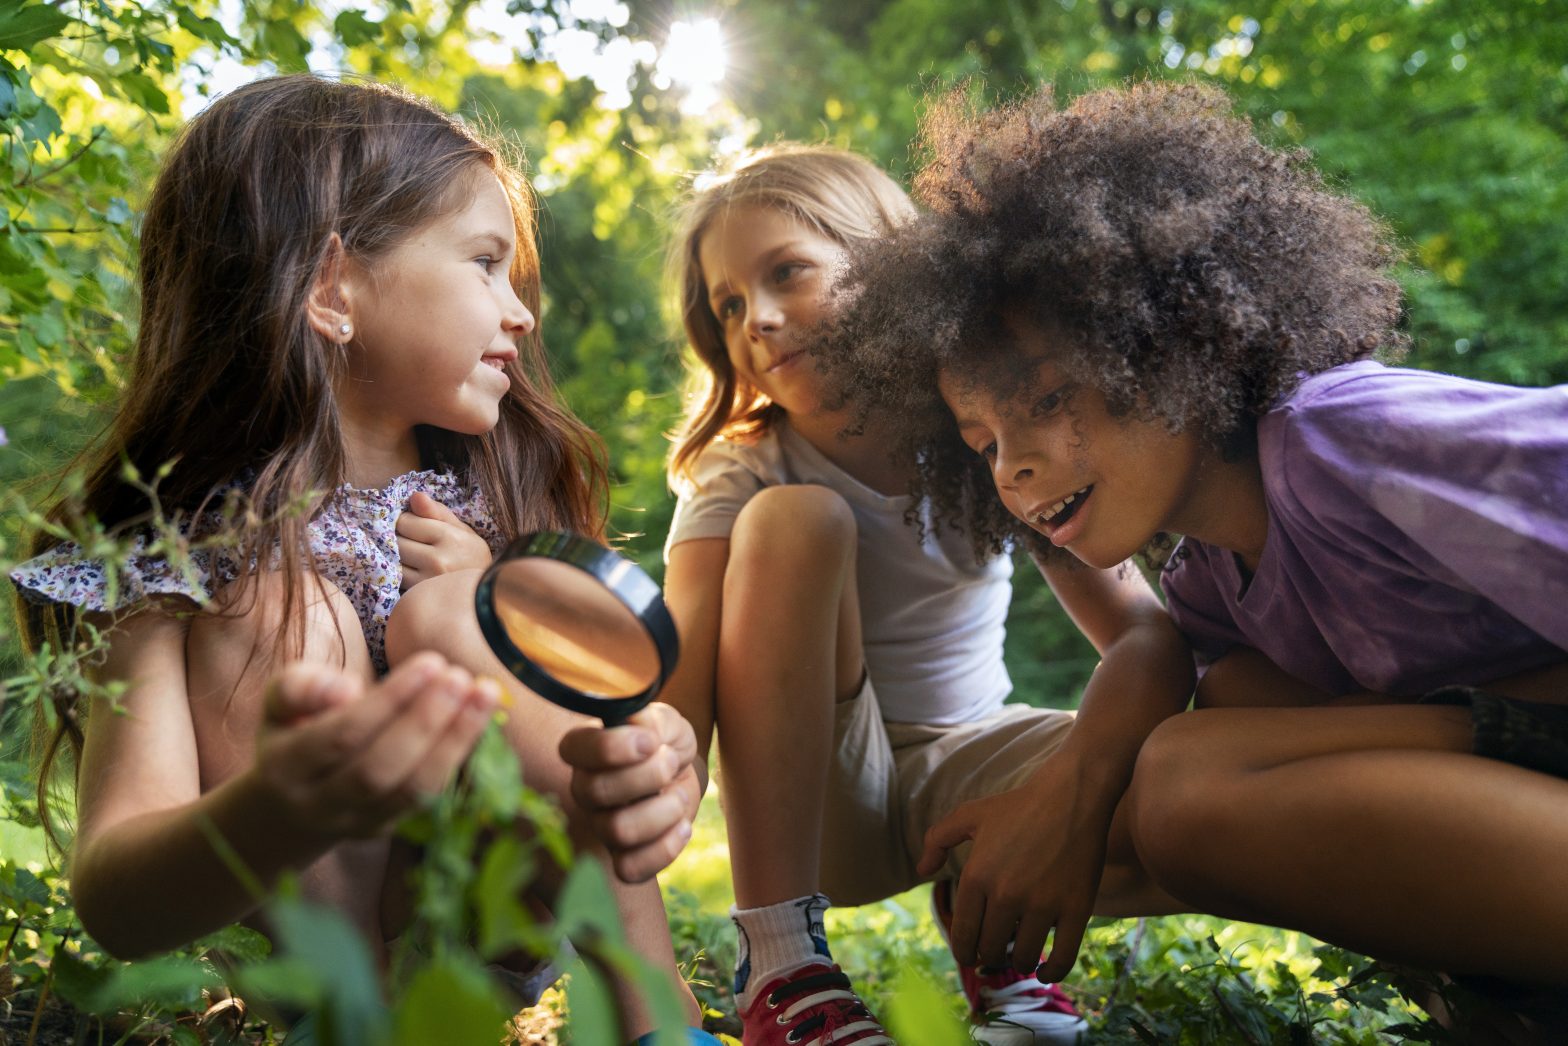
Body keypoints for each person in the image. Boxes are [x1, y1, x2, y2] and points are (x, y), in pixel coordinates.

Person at [819, 80, 1568, 1023]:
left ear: (1165, 338)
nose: (1013, 467)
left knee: (1184, 768)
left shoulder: (1337, 434)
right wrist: (1070, 797)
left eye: (1047, 401)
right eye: (983, 444)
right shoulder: (1214, 595)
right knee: (1183, 769)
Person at [9, 74, 718, 1045]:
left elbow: (615, 703)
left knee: (453, 609)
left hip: (490, 910)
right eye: (482, 263)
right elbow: (115, 894)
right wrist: (273, 808)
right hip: (323, 947)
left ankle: (656, 1020)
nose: (519, 313)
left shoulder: (493, 503)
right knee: (270, 601)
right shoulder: (175, 548)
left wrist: (653, 745)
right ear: (332, 288)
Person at [557, 143, 1193, 1045]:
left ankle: (994, 936)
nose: (759, 321)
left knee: (1194, 779)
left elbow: (1143, 637)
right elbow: (684, 671)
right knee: (799, 519)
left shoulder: (986, 431)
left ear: (891, 267)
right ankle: (781, 964)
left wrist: (1067, 794)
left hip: (969, 769)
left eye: (788, 274)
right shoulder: (741, 468)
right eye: (729, 304)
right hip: (823, 809)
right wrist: (652, 763)